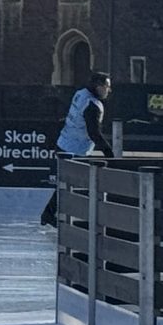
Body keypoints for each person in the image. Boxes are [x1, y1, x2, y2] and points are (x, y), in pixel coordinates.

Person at [43, 69, 114, 226]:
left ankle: (49, 214)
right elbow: (94, 132)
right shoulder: (93, 105)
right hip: (74, 149)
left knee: (67, 182)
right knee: (73, 182)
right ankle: (51, 214)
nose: (109, 90)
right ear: (97, 86)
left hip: (65, 142)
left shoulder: (80, 93)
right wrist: (109, 152)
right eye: (106, 86)